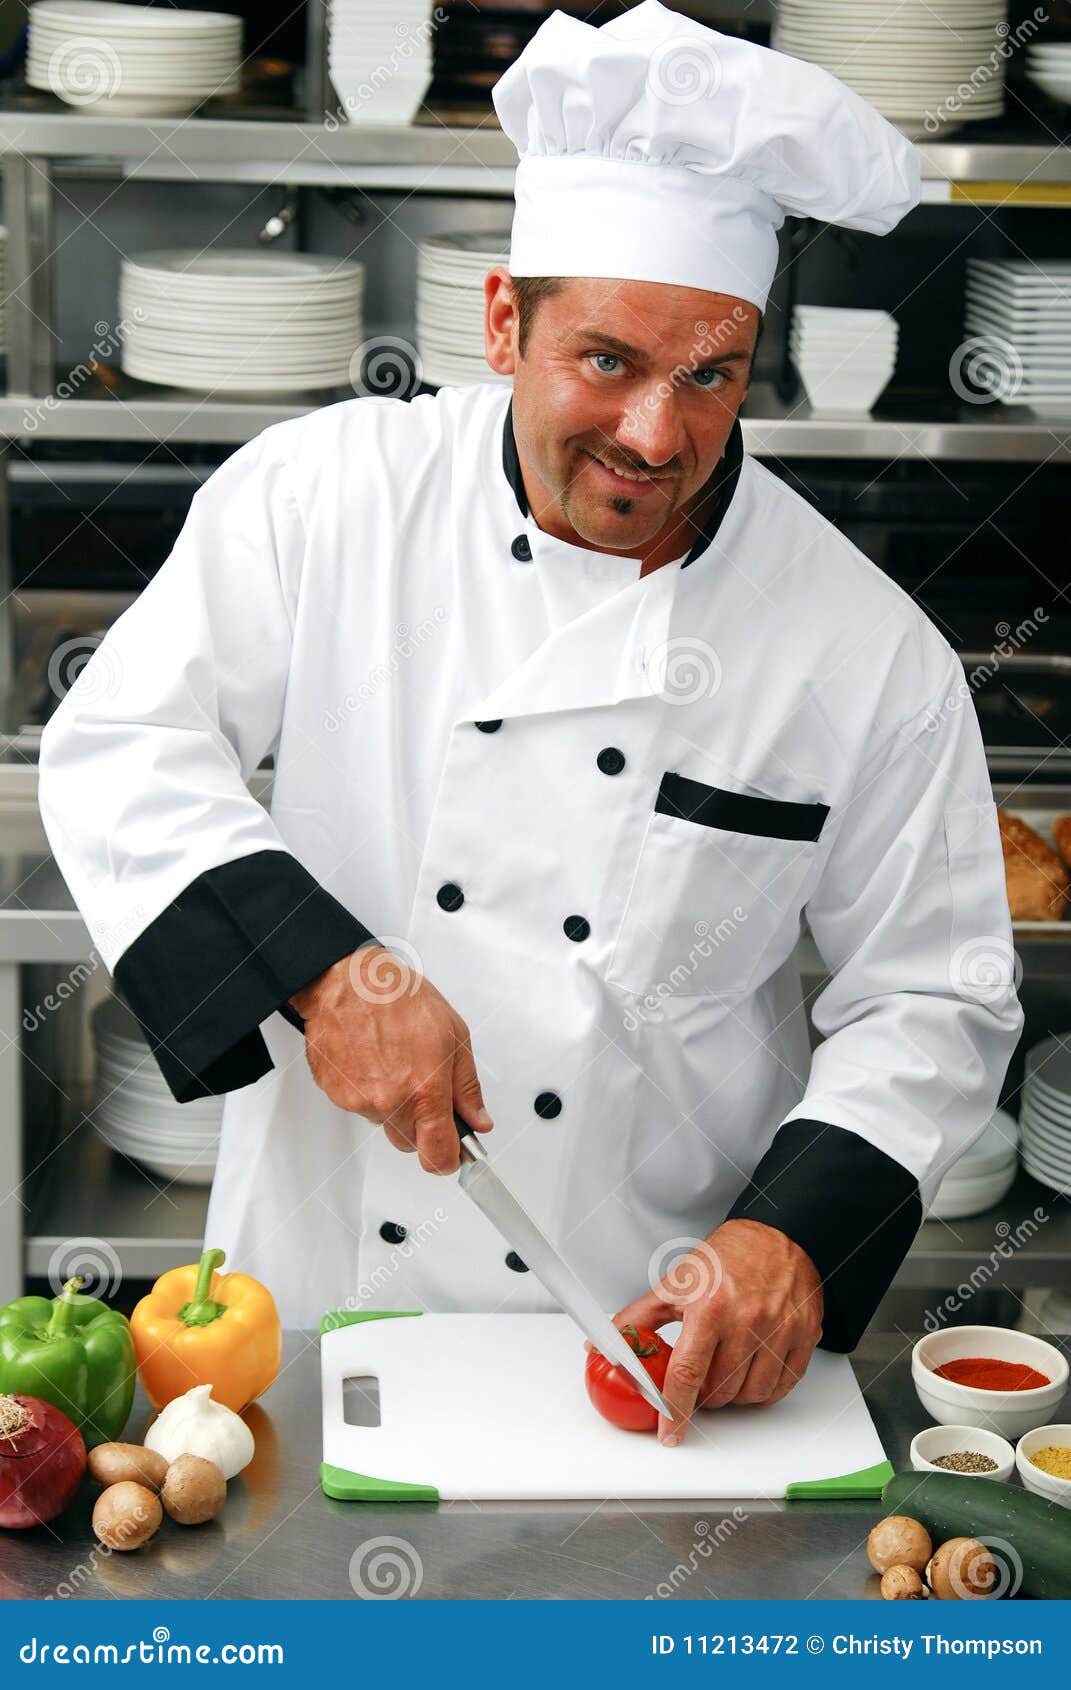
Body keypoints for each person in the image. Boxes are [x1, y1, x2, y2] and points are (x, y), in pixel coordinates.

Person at [38, 1, 1021, 1446]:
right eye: (608, 361)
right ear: (504, 322)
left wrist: (792, 1241)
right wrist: (328, 971)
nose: (655, 436)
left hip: (647, 1342)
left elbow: (932, 992)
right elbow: (124, 741)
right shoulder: (323, 500)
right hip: (309, 1327)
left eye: (712, 373)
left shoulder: (865, 649)